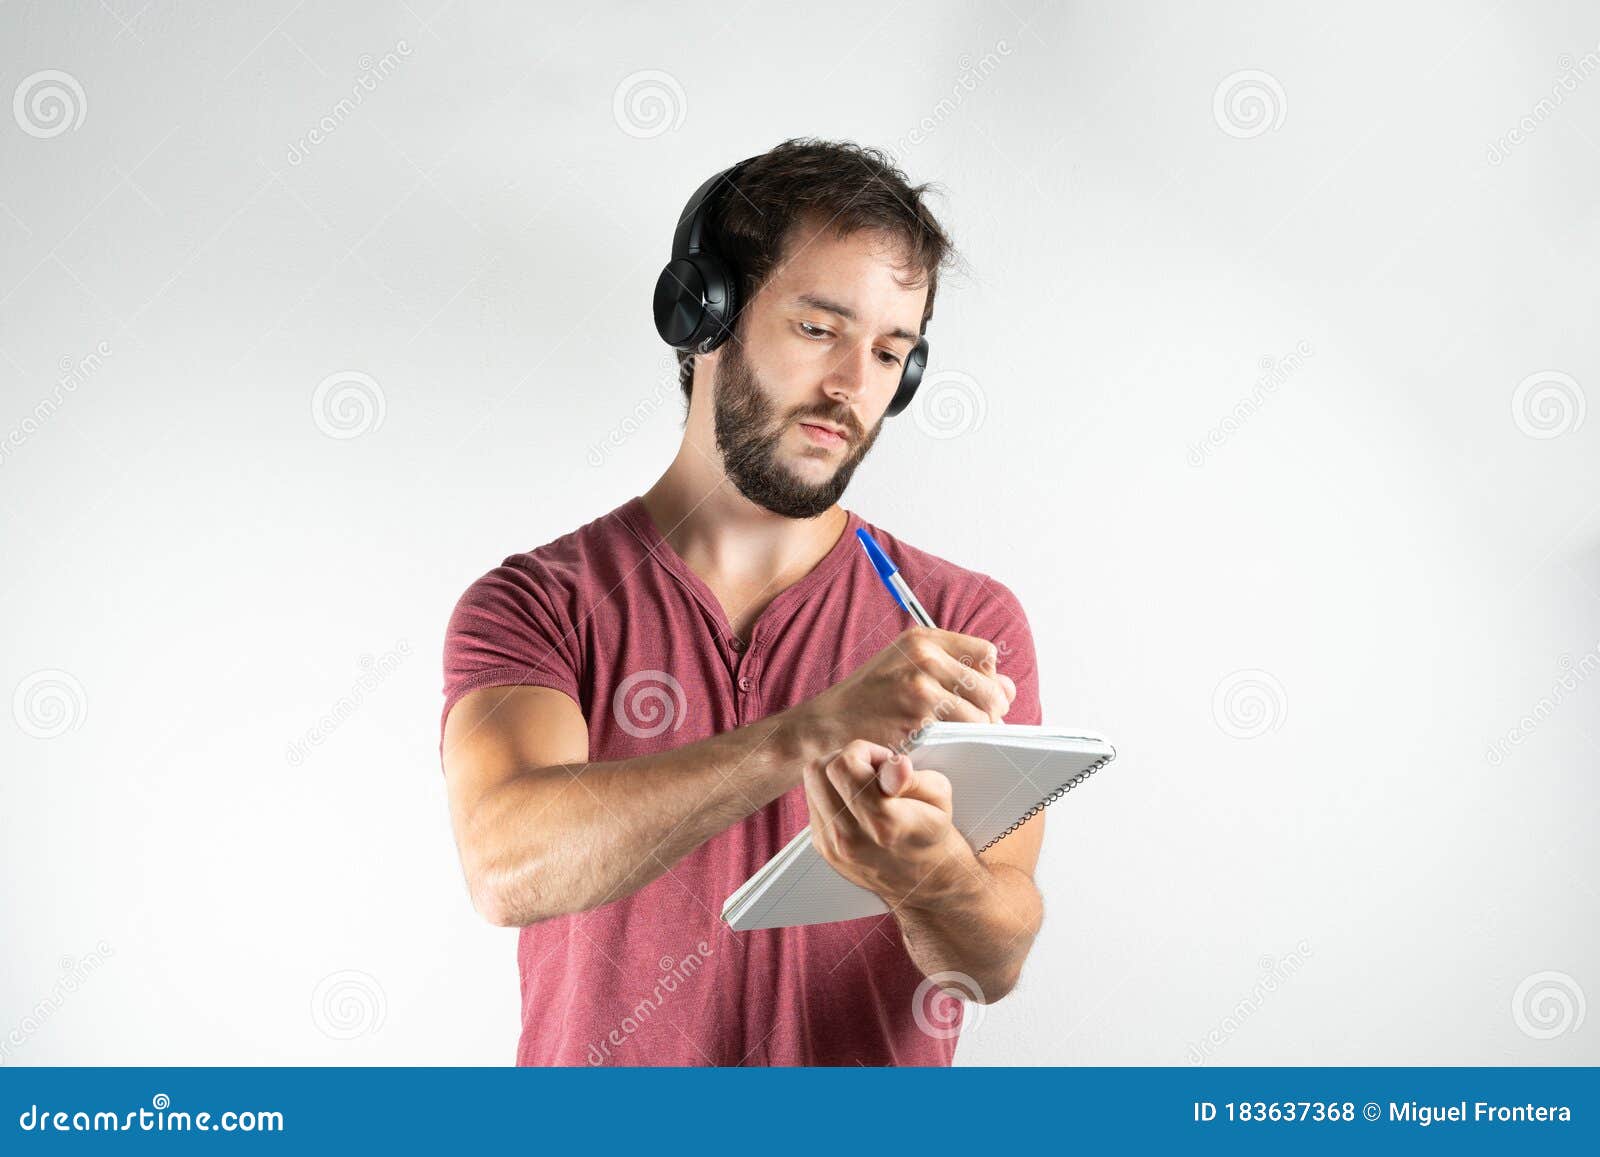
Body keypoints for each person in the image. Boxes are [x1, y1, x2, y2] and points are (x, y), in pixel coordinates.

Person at [439, 138, 1047, 1066]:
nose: (853, 387)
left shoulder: (962, 626)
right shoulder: (536, 604)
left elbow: (993, 958)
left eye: (891, 352)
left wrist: (928, 879)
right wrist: (814, 728)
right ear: (703, 315)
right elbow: (506, 864)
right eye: (819, 329)